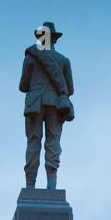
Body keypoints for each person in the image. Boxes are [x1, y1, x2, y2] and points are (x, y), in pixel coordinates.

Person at [19, 21, 74, 189]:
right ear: (55, 40)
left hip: (35, 105)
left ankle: (30, 186)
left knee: (33, 142)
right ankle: (52, 185)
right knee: (53, 143)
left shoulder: (31, 57)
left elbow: (23, 85)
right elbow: (70, 89)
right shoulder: (63, 61)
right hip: (56, 105)